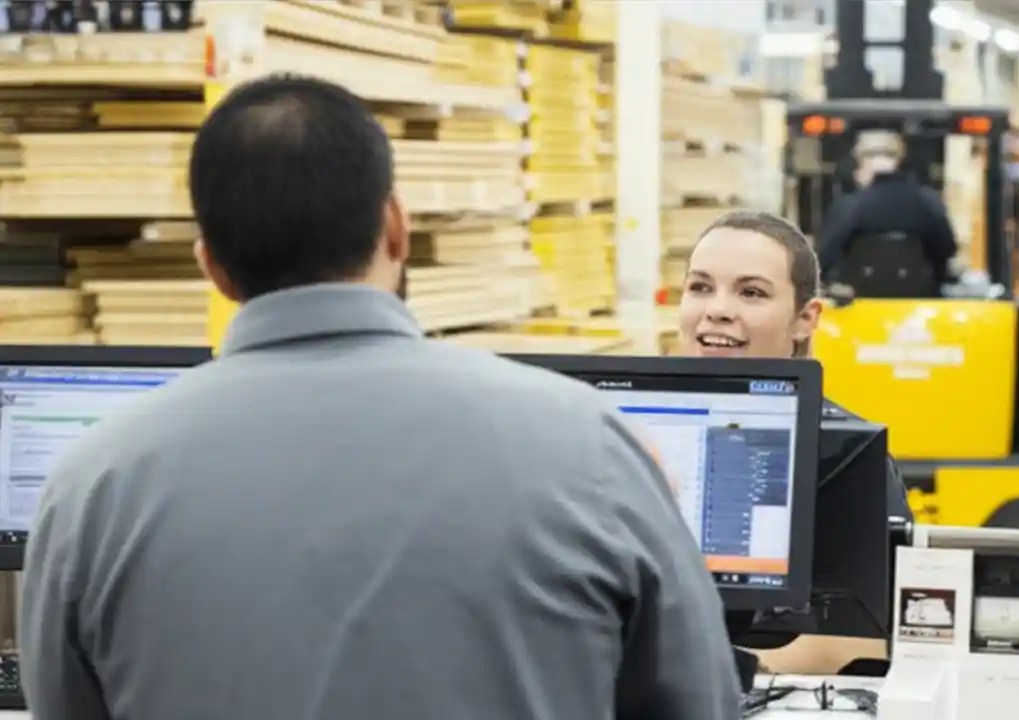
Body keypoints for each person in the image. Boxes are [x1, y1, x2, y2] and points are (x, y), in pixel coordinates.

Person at [20, 75, 739, 720]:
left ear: (211, 265)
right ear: (396, 226)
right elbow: (700, 703)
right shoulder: (590, 447)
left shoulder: (93, 487)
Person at [676, 209, 912, 519]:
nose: (717, 310)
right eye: (700, 287)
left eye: (751, 292)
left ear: (804, 319)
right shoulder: (628, 435)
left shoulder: (848, 459)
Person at [816, 132, 958, 294]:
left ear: (859, 165)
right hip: (918, 300)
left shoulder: (849, 206)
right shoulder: (928, 202)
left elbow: (825, 256)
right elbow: (947, 250)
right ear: (900, 162)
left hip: (859, 301)